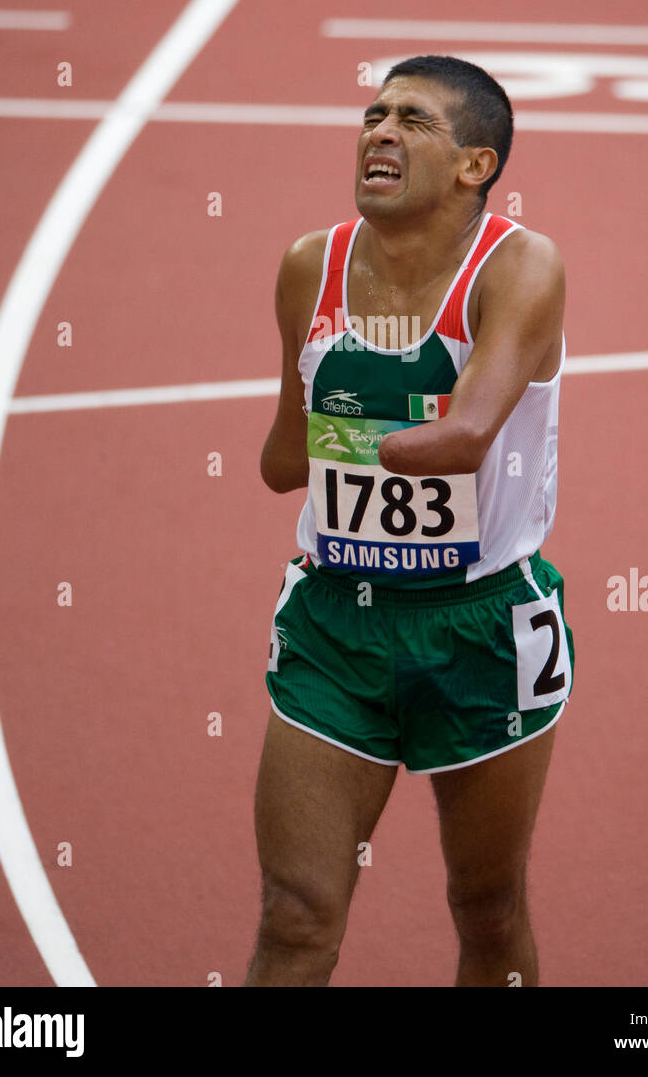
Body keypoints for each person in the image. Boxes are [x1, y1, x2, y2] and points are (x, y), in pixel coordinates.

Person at [245, 54, 574, 987]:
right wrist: (329, 426)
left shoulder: (521, 266)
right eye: (374, 114)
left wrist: (347, 428)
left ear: (475, 165)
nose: (380, 131)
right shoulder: (311, 265)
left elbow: (464, 437)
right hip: (334, 626)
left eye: (413, 121)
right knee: (298, 915)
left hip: (482, 628)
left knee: (487, 907)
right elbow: (280, 459)